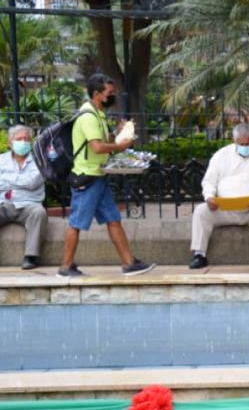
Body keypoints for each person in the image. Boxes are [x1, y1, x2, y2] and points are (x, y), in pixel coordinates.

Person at [58, 73, 154, 278]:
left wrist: (120, 133)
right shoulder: (88, 116)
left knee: (113, 219)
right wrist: (120, 145)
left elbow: (104, 141)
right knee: (76, 222)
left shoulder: (98, 114)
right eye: (110, 93)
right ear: (97, 94)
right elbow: (98, 147)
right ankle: (65, 267)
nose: (113, 95)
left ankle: (129, 264)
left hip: (98, 175)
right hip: (87, 177)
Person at [189, 123, 249, 270]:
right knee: (201, 211)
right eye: (242, 144)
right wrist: (209, 197)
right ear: (235, 142)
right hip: (225, 209)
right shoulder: (221, 156)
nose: (245, 146)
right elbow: (209, 181)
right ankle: (199, 255)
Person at [0, 125, 48, 269]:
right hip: (4, 202)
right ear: (10, 142)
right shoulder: (1, 160)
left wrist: (5, 179)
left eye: (26, 139)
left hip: (29, 204)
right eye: (19, 139)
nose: (23, 142)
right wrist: (20, 181)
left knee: (39, 213)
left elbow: (32, 182)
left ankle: (31, 257)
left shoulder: (39, 160)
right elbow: (26, 182)